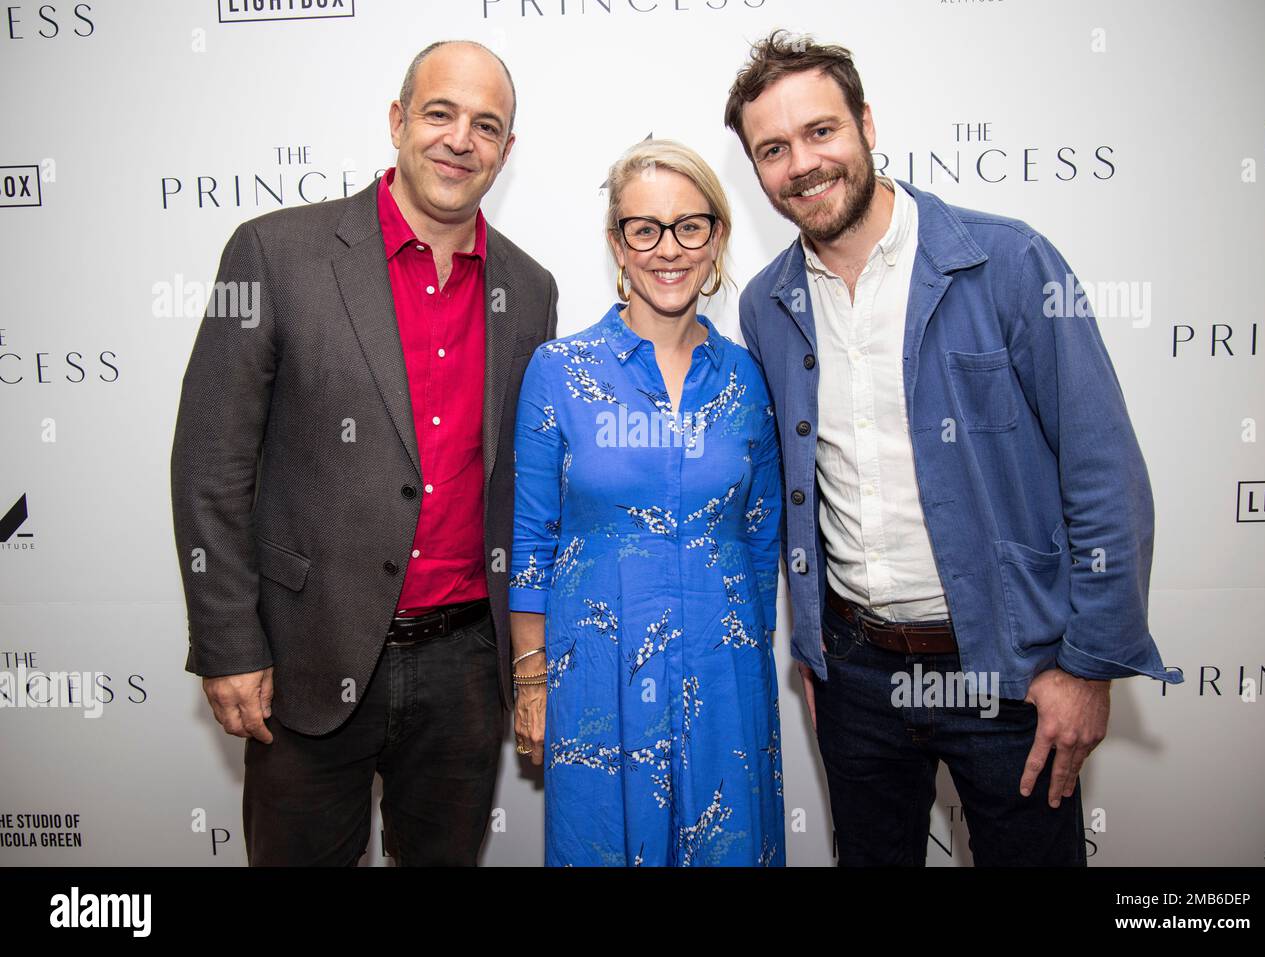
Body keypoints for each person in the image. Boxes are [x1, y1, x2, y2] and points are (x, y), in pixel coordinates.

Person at [725, 30, 1182, 866]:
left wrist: (1087, 666)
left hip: (1010, 673)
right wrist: (815, 655)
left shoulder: (1006, 261)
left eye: (821, 131)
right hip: (858, 675)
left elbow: (1102, 468)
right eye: (773, 149)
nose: (802, 163)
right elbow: (793, 493)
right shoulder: (767, 303)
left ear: (865, 122)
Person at [170, 40, 558, 866]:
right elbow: (210, 464)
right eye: (441, 113)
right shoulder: (275, 253)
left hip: (462, 670)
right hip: (306, 659)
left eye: (486, 126)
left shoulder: (529, 290)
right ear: (398, 120)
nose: (461, 140)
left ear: (506, 151)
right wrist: (230, 642)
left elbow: (522, 487)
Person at [509, 140, 785, 866]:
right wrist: (532, 678)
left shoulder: (749, 381)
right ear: (617, 244)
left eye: (690, 226)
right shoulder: (558, 372)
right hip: (596, 679)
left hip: (725, 678)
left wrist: (754, 680)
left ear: (716, 237)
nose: (670, 248)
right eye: (645, 228)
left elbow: (761, 548)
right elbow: (532, 542)